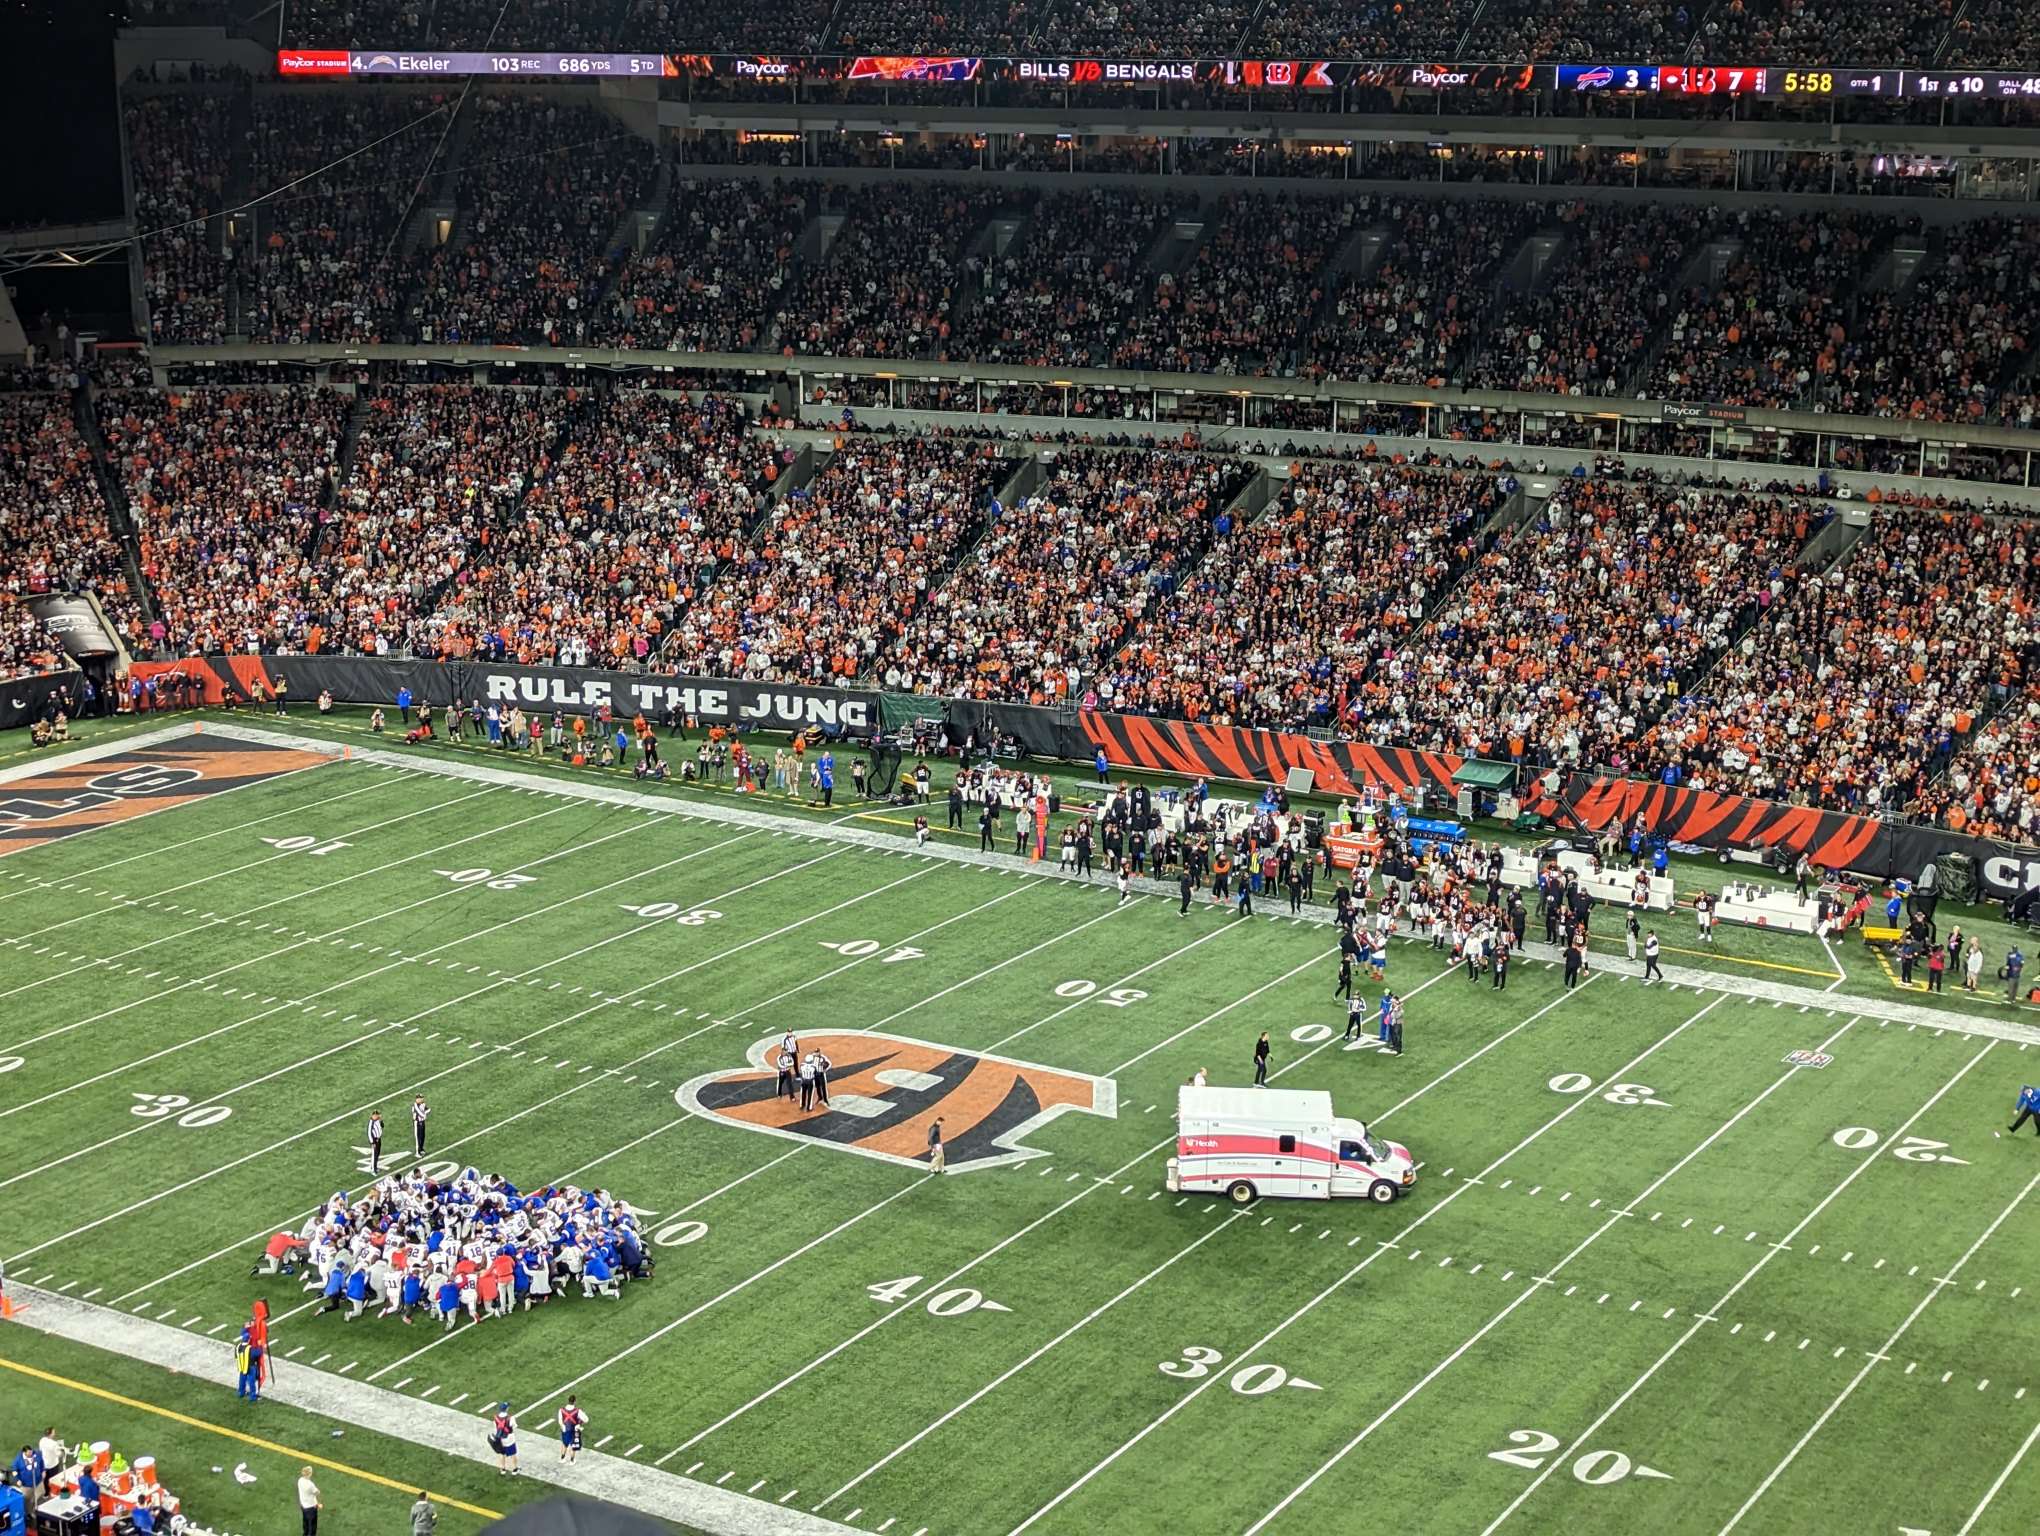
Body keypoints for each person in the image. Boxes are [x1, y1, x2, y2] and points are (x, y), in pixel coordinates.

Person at [558, 1397, 588, 1463]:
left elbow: (560, 1421)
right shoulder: (578, 1410)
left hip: (565, 1429)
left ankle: (562, 1459)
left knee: (564, 1444)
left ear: (568, 1401)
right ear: (574, 1401)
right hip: (574, 1430)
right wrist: (579, 1423)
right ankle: (572, 1460)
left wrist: (563, 1428)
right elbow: (586, 1419)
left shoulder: (561, 1410)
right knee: (573, 1445)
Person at [491, 1406, 519, 1476]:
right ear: (507, 1409)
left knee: (502, 1454)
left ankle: (503, 1469)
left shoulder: (496, 1417)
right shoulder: (511, 1418)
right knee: (513, 1454)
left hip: (500, 1438)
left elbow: (495, 1428)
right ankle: (515, 1469)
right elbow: (514, 1426)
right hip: (509, 1438)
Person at [297, 1466, 322, 1535]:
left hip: (303, 1506)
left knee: (305, 1523)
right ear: (309, 1474)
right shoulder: (310, 1485)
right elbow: (317, 1492)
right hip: (311, 1508)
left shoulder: (300, 1480)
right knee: (312, 1526)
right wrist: (319, 1504)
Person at [366, 1110, 384, 1175]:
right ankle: (373, 1169)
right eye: (375, 1115)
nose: (376, 1116)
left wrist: (381, 1120)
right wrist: (372, 1142)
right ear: (372, 1115)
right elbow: (369, 1133)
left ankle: (375, 1167)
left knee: (377, 1154)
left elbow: (382, 1126)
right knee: (374, 1155)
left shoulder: (378, 1120)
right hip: (375, 1140)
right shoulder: (371, 1123)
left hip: (379, 1139)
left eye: (377, 1115)